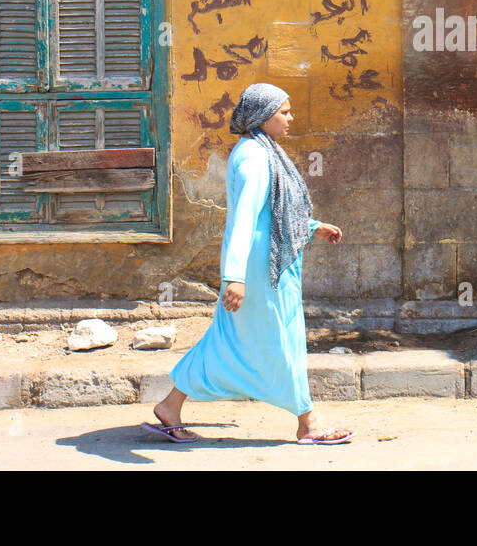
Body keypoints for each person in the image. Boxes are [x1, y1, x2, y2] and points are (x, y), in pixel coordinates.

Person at [144, 82, 353, 445]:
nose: (291, 118)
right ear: (262, 116)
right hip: (260, 270)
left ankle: (170, 405)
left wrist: (312, 227)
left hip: (262, 264)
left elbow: (274, 212)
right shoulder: (255, 158)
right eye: (283, 112)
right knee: (281, 339)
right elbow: (244, 219)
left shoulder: (258, 150)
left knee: (230, 338)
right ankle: (309, 423)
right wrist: (235, 277)